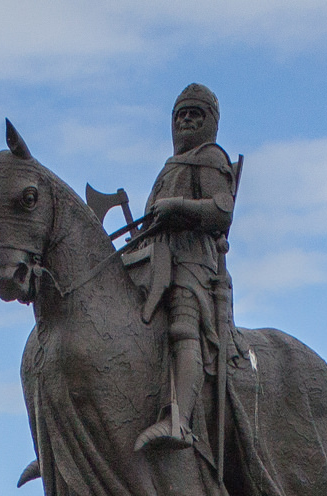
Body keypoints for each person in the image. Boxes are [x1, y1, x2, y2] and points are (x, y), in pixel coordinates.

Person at [134, 83, 238, 458]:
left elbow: (222, 211)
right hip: (155, 260)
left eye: (196, 114)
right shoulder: (169, 167)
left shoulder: (210, 158)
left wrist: (178, 207)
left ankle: (179, 420)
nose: (187, 120)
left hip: (192, 262)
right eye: (181, 114)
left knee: (183, 323)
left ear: (210, 121)